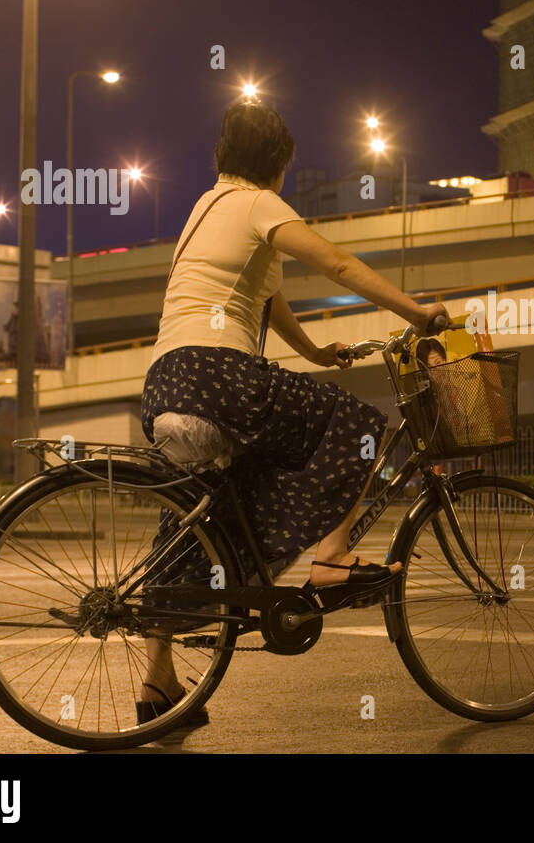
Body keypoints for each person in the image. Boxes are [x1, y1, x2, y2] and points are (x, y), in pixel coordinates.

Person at [136, 101, 446, 723]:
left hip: (167, 380)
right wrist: (417, 314)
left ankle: (158, 685)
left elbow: (267, 298)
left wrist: (314, 351)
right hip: (215, 371)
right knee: (356, 424)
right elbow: (336, 262)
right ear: (278, 163)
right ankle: (332, 561)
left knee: (200, 519)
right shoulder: (259, 202)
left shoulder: (207, 207)